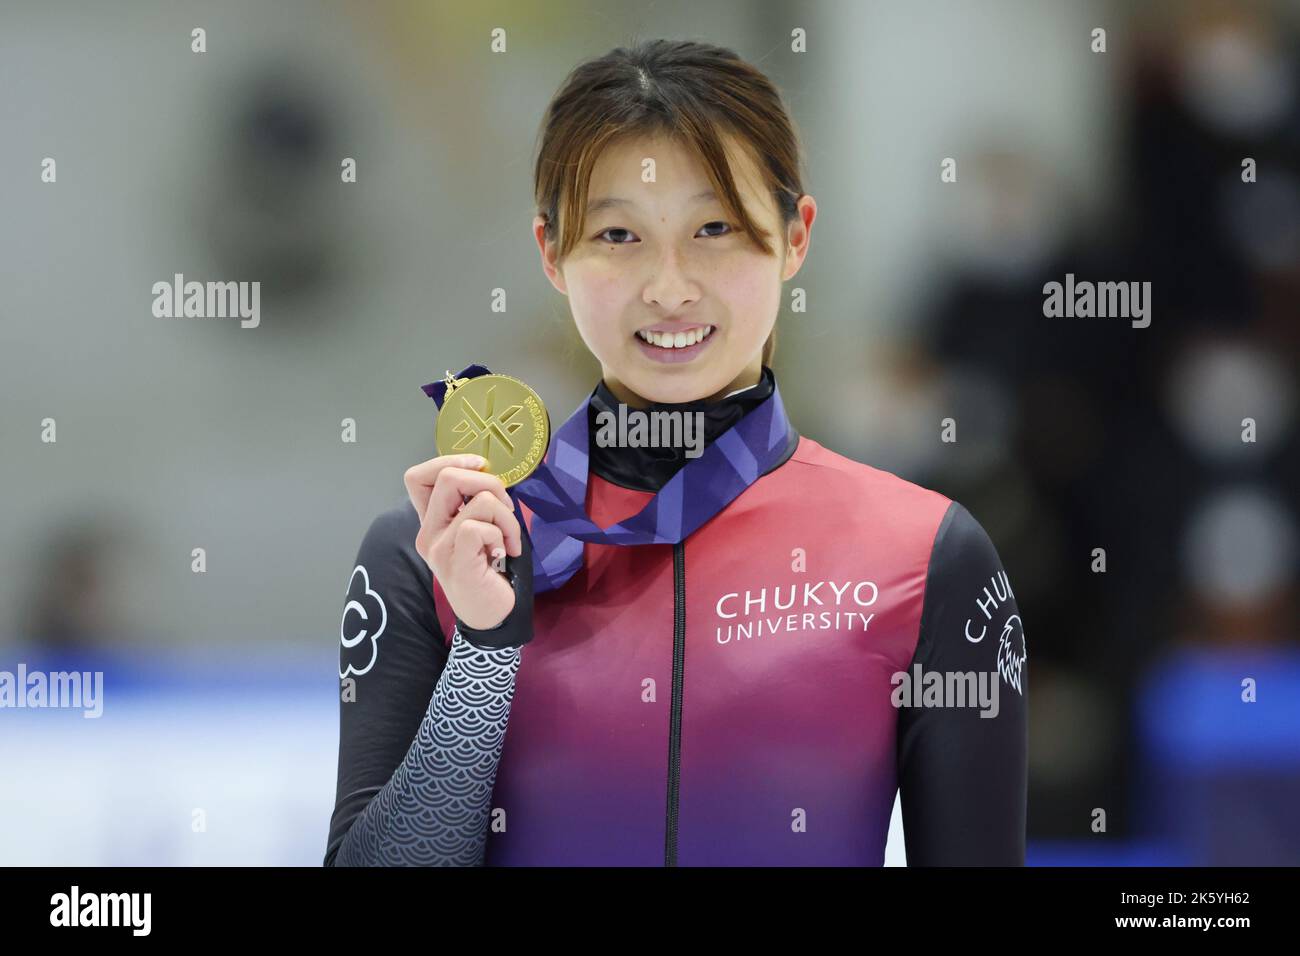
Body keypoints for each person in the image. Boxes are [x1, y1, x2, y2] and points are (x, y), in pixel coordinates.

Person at [324, 38, 1027, 867]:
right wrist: (482, 654)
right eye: (618, 235)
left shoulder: (926, 555)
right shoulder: (437, 552)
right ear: (551, 251)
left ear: (795, 236)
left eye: (715, 227)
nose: (669, 286)